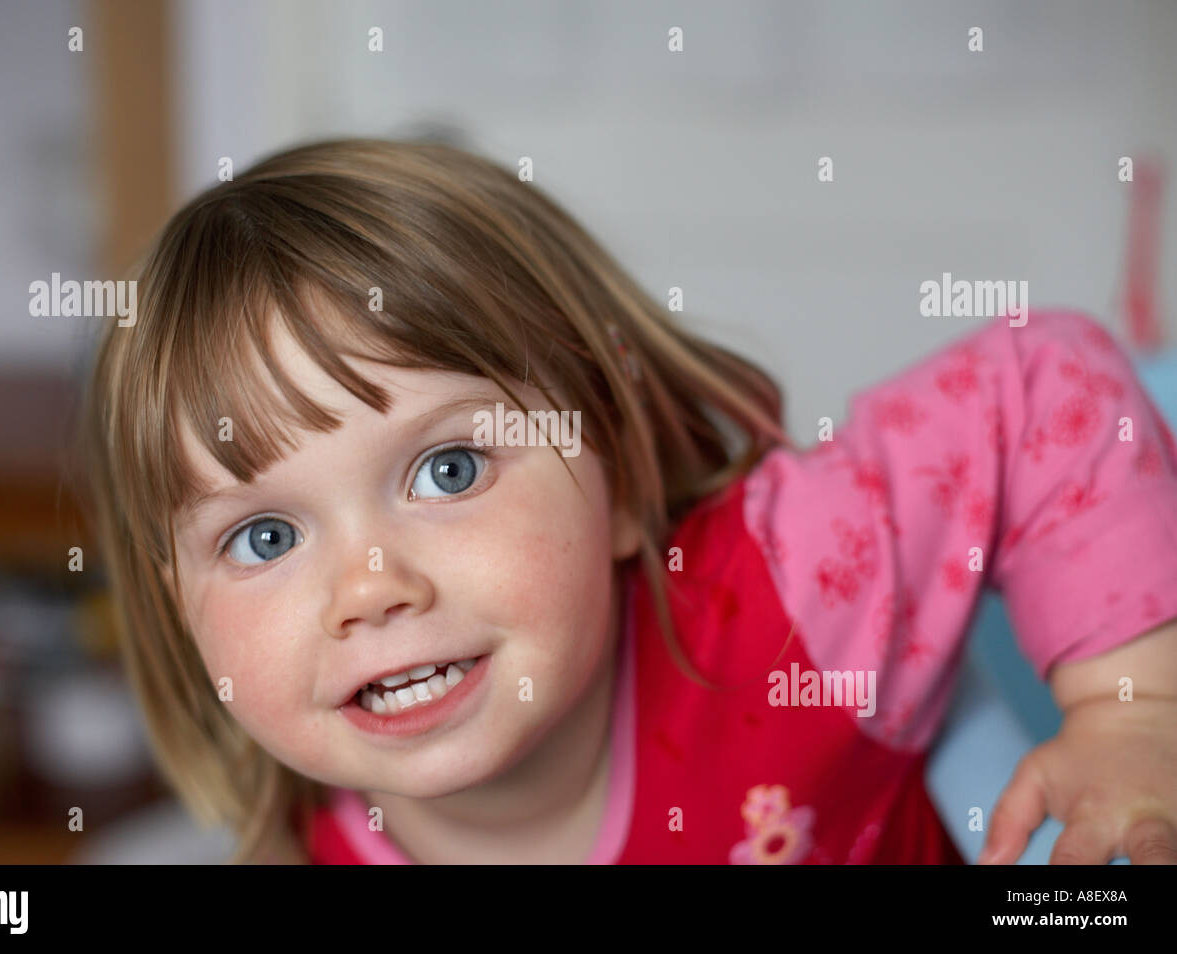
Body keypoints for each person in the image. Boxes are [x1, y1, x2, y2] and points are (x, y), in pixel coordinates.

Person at [78, 138, 1177, 864]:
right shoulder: (323, 833)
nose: (369, 591)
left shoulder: (792, 589)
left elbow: (1044, 387)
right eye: (264, 535)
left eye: (448, 469)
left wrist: (1130, 713)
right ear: (181, 606)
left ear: (620, 461)